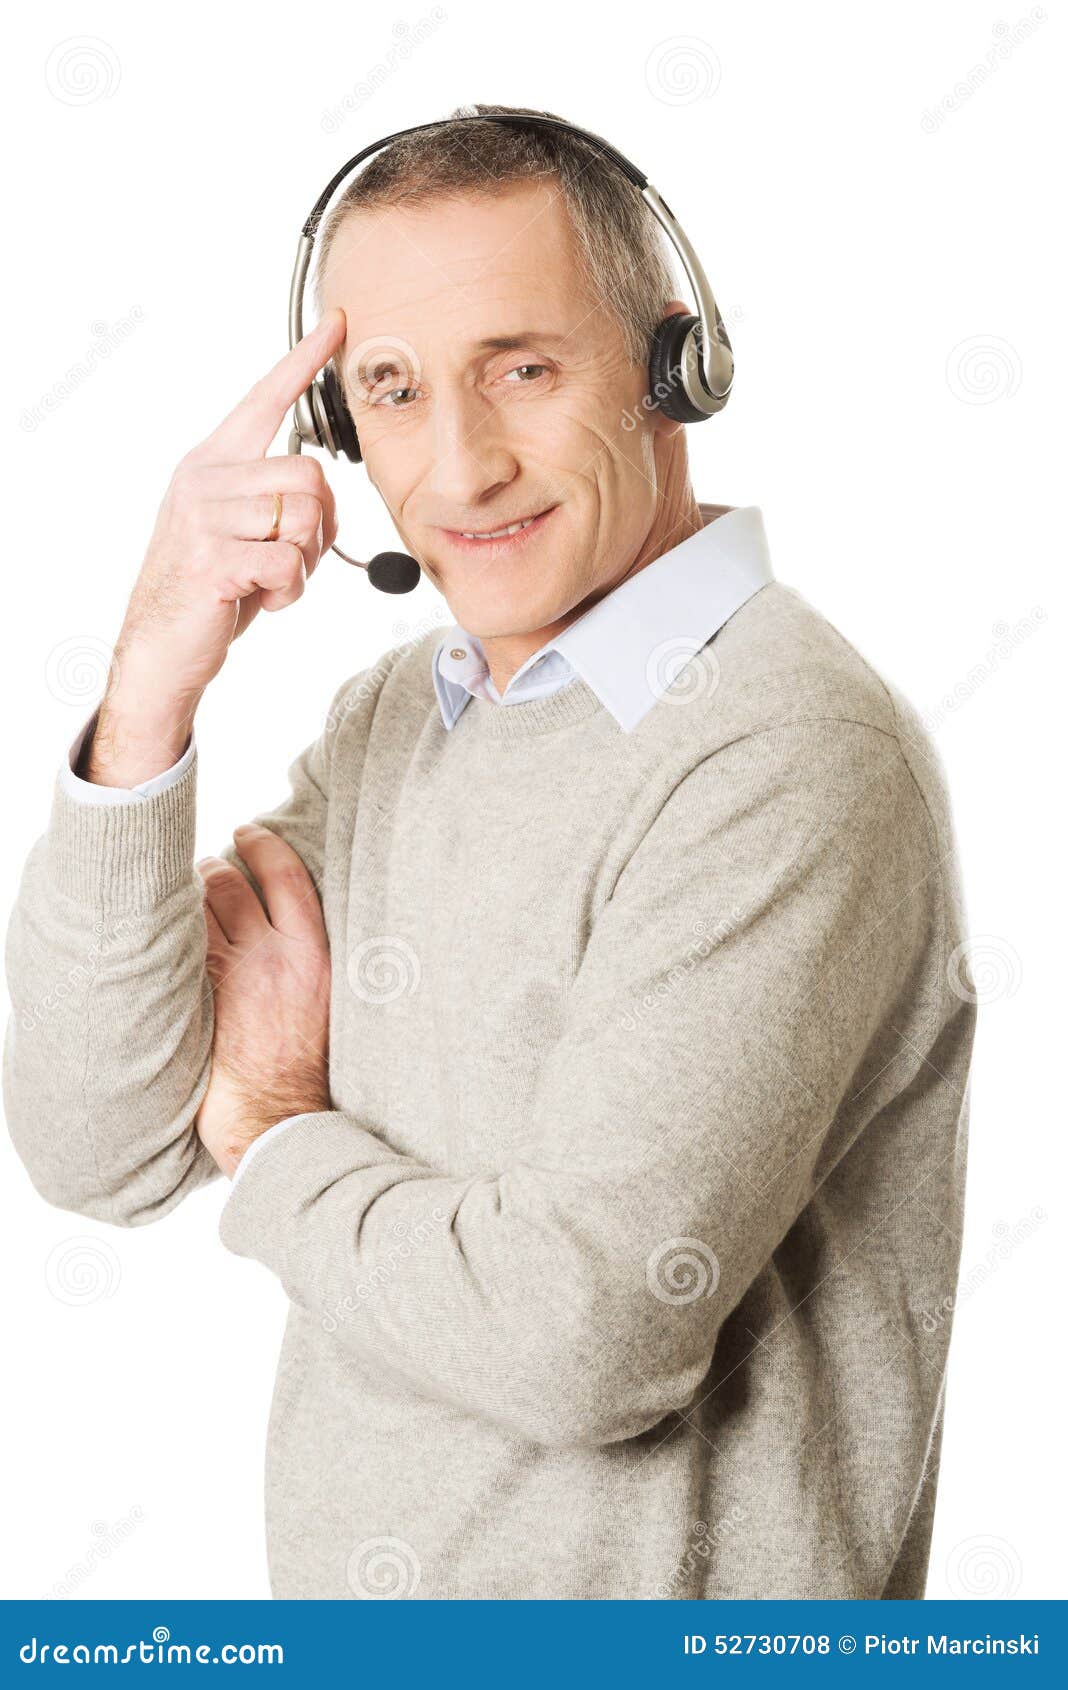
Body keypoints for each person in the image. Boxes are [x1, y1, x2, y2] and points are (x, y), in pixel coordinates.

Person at [2, 105, 975, 1600]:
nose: (459, 469)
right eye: (390, 390)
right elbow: (97, 1144)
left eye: (521, 368)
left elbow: (586, 1335)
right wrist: (148, 692)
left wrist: (272, 1134)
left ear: (673, 366)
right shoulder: (407, 715)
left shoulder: (784, 747)